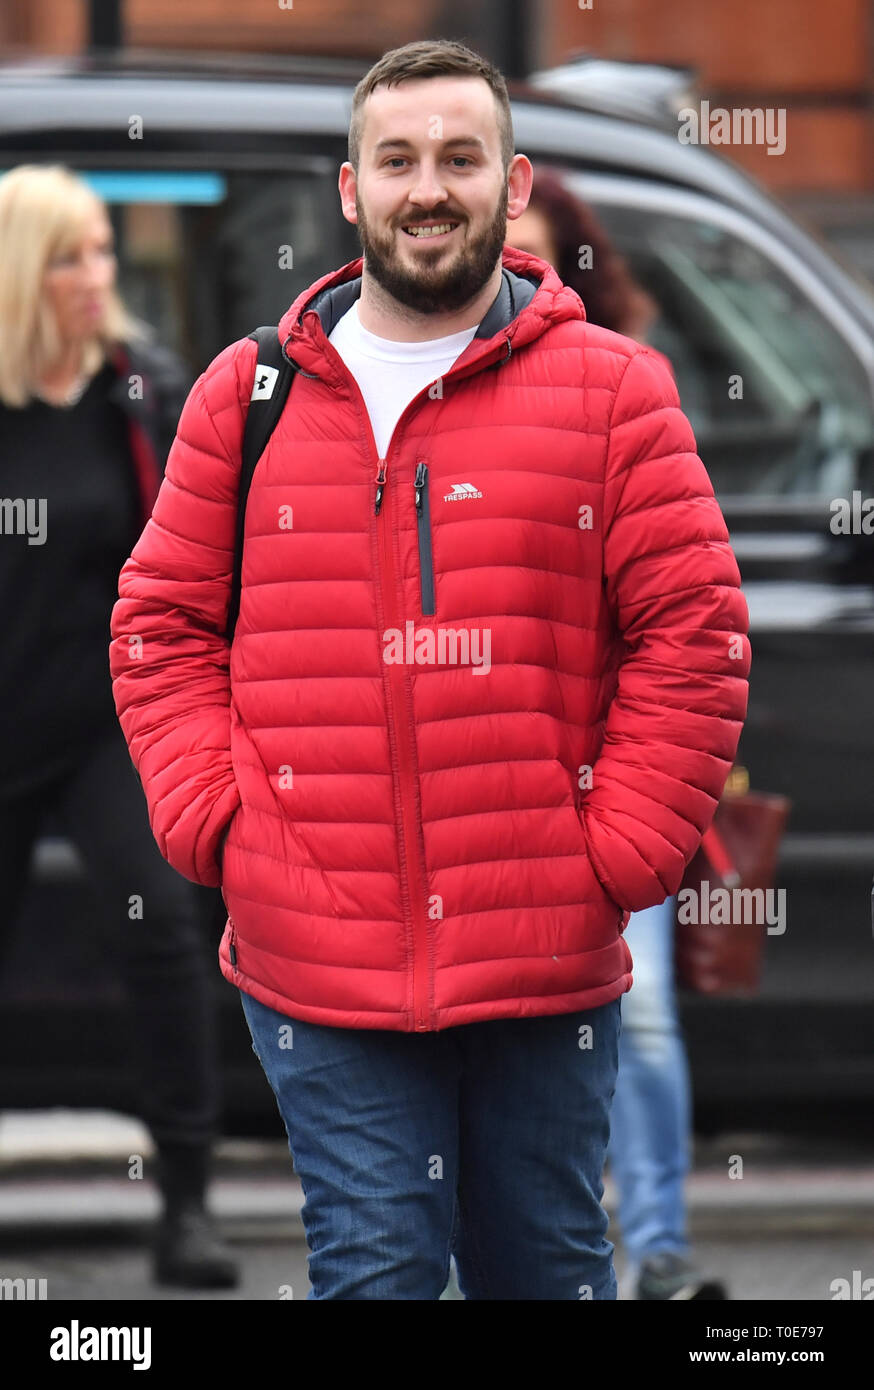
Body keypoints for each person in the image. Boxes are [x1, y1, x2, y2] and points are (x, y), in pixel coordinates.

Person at [109, 39, 750, 1301]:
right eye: (395, 160)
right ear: (349, 192)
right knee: (381, 1265)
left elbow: (698, 633)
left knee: (545, 1268)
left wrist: (612, 855)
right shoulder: (248, 396)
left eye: (461, 158)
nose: (428, 187)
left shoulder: (616, 391)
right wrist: (218, 826)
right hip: (316, 952)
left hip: (544, 951)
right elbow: (158, 623)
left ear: (514, 188)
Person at [0, 164, 238, 1289]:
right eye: (69, 255)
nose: (97, 275)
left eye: (102, 250)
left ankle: (188, 1201)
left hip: (107, 724)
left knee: (162, 935)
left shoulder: (139, 394)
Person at [508, 167, 728, 1299]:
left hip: (611, 773)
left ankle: (660, 1249)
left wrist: (646, 801)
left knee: (636, 1022)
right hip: (503, 774)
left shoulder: (630, 390)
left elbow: (689, 611)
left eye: (541, 258)